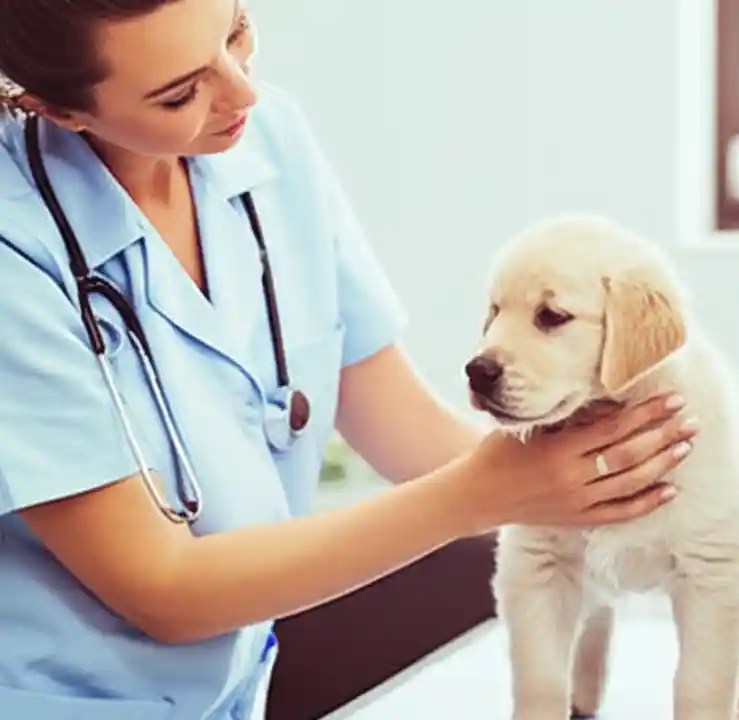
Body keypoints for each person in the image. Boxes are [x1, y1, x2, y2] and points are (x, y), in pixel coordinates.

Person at [0, 1, 698, 718]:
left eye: (236, 31)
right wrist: (484, 492)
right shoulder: (13, 246)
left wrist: (591, 495)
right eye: (181, 92)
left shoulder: (268, 142)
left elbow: (408, 432)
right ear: (59, 109)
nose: (241, 89)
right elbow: (165, 589)